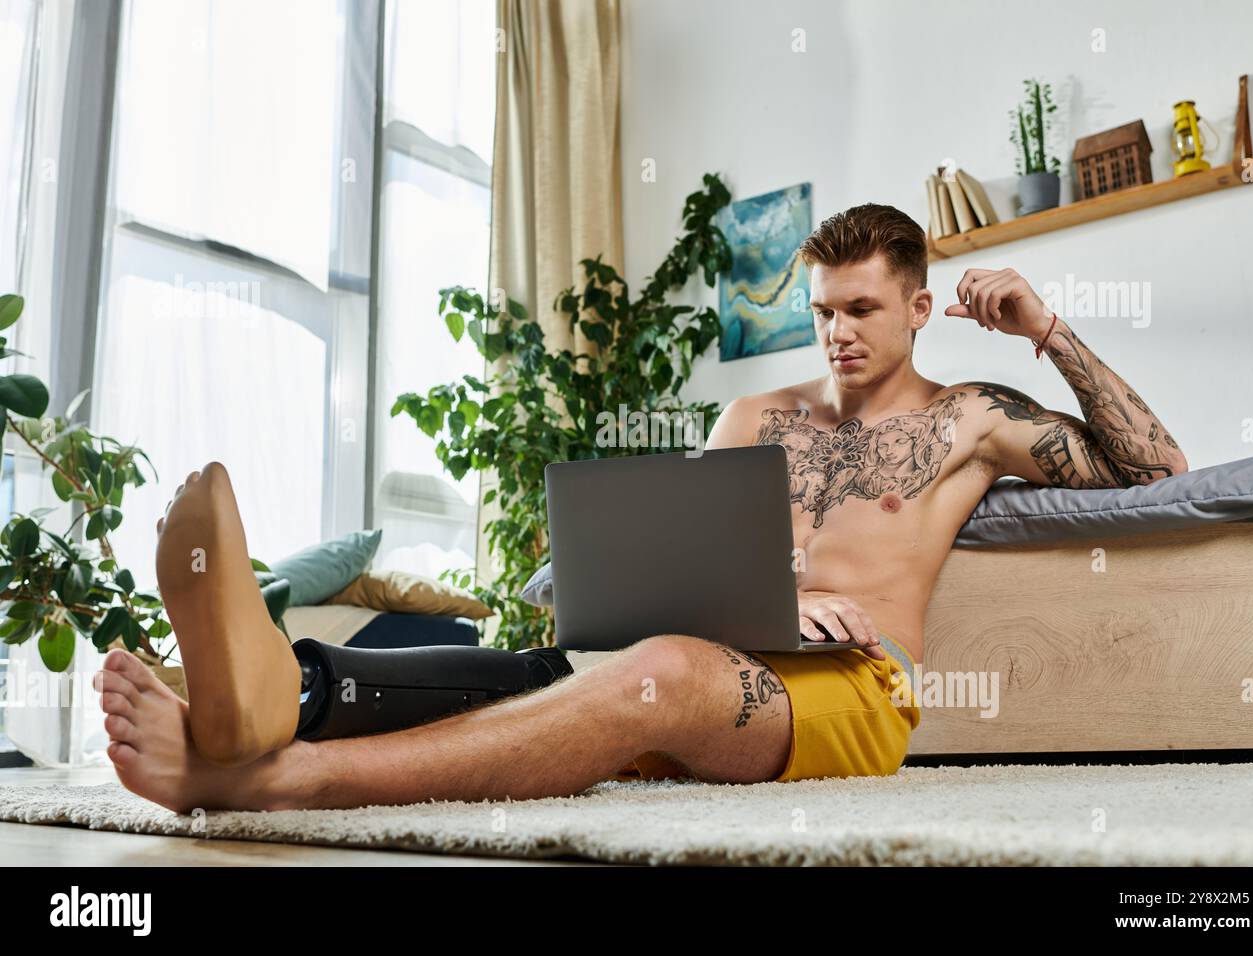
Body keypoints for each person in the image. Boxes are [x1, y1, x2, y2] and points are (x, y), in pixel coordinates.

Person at [95, 204, 1186, 812]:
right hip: (713, 650)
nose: (839, 331)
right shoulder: (758, 412)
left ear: (917, 304)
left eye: (862, 308)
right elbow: (684, 564)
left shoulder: (972, 417)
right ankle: (281, 685)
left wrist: (1047, 331)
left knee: (657, 670)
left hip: (851, 689)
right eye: (820, 311)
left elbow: (1156, 469)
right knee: (545, 672)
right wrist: (777, 597)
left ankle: (276, 776)